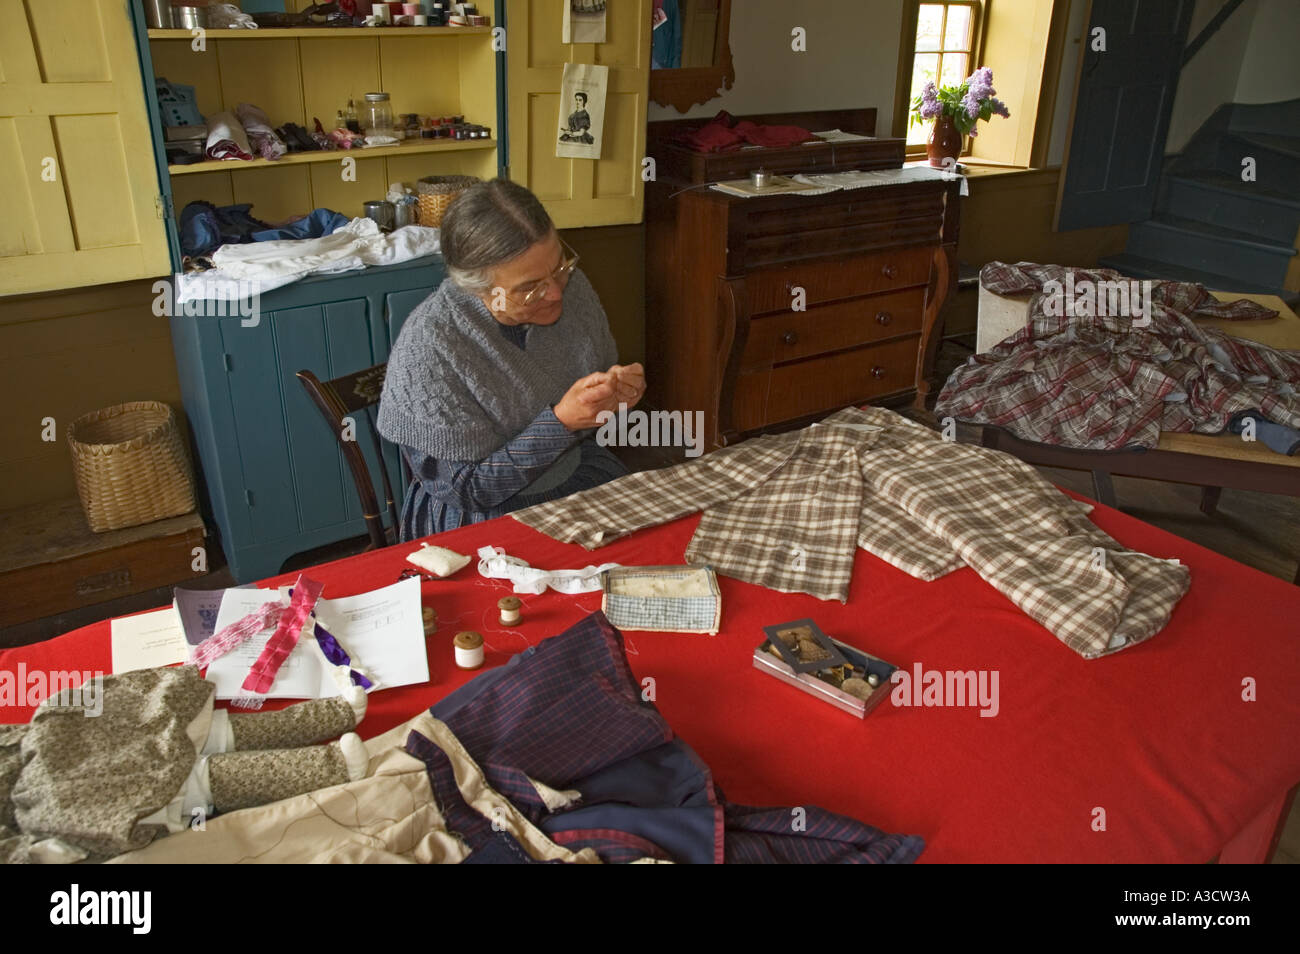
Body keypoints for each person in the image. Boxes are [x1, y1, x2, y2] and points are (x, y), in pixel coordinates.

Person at [377, 178, 644, 540]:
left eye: (559, 268)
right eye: (530, 288)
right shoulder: (431, 347)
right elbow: (468, 490)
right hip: (479, 516)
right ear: (477, 287)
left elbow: (596, 421)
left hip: (576, 477)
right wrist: (561, 424)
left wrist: (612, 396)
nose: (554, 293)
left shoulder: (574, 289)